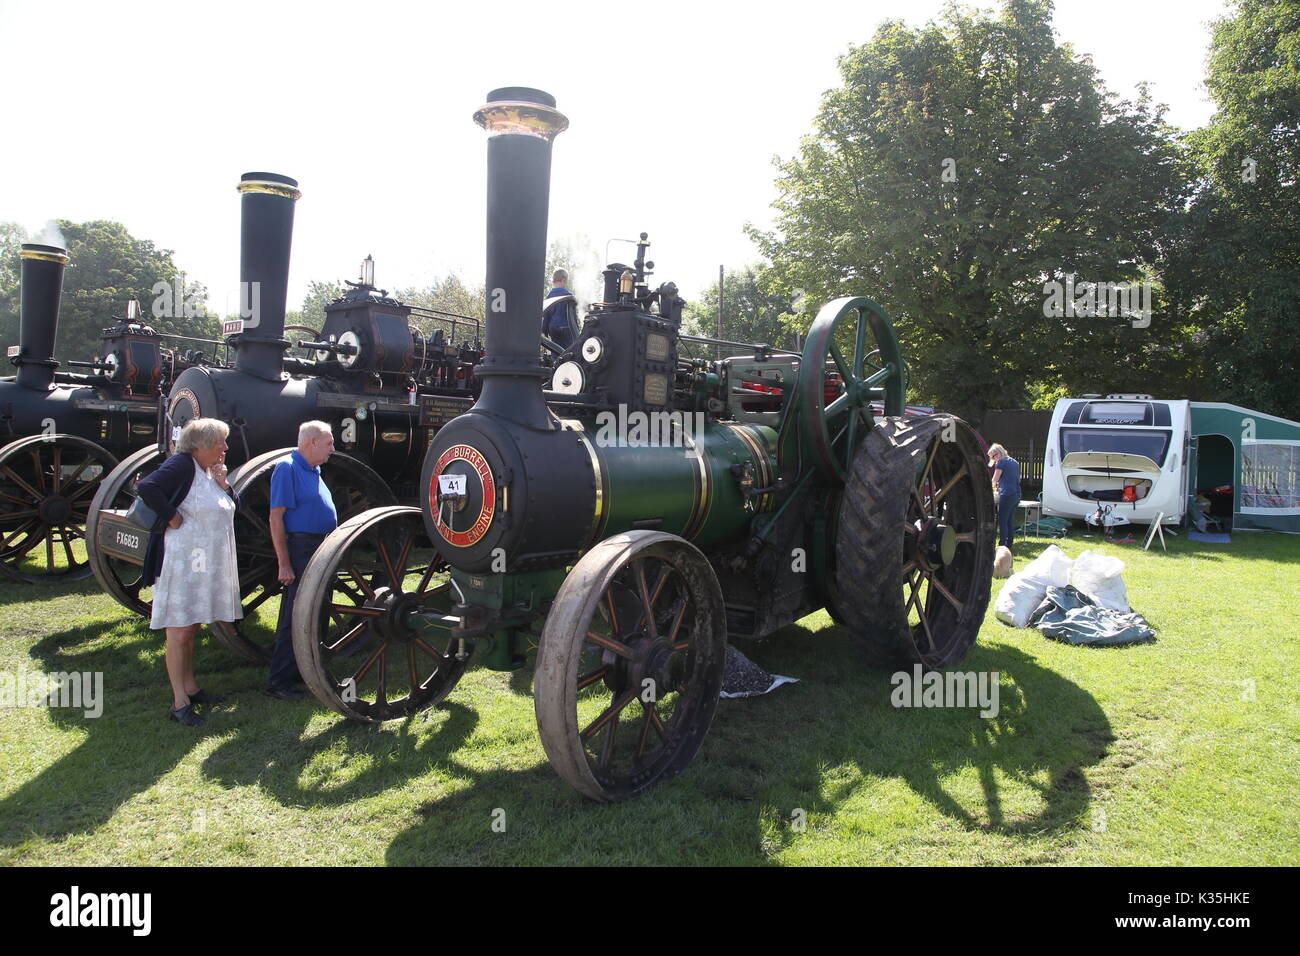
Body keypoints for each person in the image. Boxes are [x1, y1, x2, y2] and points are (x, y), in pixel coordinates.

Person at [137, 417, 241, 727]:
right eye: (220, 442)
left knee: (192, 626)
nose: (225, 447)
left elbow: (233, 506)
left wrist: (224, 484)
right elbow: (147, 486)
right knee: (179, 630)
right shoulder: (182, 464)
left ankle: (191, 688)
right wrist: (171, 517)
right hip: (183, 562)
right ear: (201, 445)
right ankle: (179, 703)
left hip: (203, 563)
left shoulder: (209, 471)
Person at [266, 421, 338, 699]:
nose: (333, 448)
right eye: (329, 443)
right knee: (294, 615)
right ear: (311, 442)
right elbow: (276, 518)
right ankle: (279, 681)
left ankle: (304, 672)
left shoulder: (314, 469)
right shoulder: (287, 468)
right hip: (302, 547)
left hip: (320, 547)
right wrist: (284, 562)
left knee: (316, 611)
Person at [988, 443, 1022, 552]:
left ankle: (1002, 545)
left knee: (1002, 521)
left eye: (993, 456)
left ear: (999, 453)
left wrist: (989, 489)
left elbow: (994, 480)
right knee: (1009, 521)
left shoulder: (1001, 462)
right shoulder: (1015, 462)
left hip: (1006, 494)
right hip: (1016, 494)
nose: (993, 460)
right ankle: (1009, 544)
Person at [542, 268, 578, 349]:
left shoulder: (548, 297)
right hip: (566, 329)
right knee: (569, 352)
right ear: (564, 280)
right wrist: (577, 333)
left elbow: (545, 317)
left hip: (553, 329)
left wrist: (544, 331)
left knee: (556, 351)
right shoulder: (569, 296)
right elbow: (573, 317)